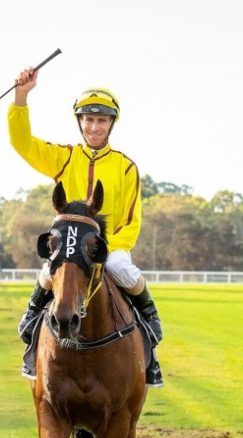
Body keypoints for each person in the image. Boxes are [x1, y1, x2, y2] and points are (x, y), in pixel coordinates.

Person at [8, 69, 163, 384]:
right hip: (67, 245)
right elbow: (22, 143)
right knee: (49, 273)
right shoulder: (63, 158)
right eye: (88, 120)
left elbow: (132, 220)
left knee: (124, 270)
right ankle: (31, 318)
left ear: (111, 124)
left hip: (110, 248)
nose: (94, 126)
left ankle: (150, 320)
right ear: (80, 122)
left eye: (101, 121)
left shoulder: (126, 167)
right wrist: (21, 98)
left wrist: (104, 251)